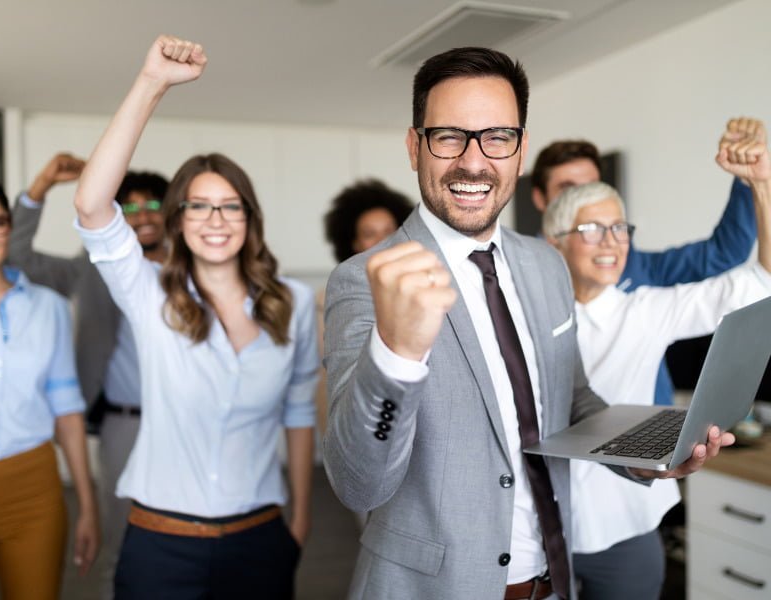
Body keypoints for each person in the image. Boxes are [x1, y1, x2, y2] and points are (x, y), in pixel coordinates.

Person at [322, 46, 733, 600]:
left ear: (520, 152)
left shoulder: (545, 264)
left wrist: (648, 453)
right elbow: (356, 483)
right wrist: (395, 355)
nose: (474, 161)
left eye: (497, 136)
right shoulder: (363, 279)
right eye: (449, 136)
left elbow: (573, 398)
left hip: (551, 581)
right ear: (414, 146)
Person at [73, 36, 318, 599]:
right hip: (160, 543)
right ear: (178, 219)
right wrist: (151, 83)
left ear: (249, 218)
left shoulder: (294, 303)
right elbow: (91, 205)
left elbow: (300, 413)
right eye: (199, 205)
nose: (216, 219)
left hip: (260, 538)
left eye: (231, 205)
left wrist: (301, 518)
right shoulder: (150, 294)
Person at [541, 117, 770, 599]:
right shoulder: (520, 310)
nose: (611, 241)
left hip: (623, 522)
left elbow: (758, 278)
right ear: (553, 238)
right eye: (591, 228)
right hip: (534, 529)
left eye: (619, 228)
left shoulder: (645, 306)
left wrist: (761, 185)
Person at [8, 155, 169, 598]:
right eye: (130, 208)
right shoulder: (93, 268)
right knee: (123, 539)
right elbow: (15, 256)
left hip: (193, 423)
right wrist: (40, 187)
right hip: (124, 423)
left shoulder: (199, 270)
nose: (144, 215)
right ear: (115, 216)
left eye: (154, 204)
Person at [530, 132, 758, 406]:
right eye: (569, 189)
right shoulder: (520, 275)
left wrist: (752, 182)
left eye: (592, 186)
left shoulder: (637, 267)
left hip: (645, 427)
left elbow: (724, 254)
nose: (585, 197)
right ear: (540, 199)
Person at [0, 174, 99, 599]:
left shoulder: (50, 307)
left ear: (10, 227)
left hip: (33, 486)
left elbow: (66, 408)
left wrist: (86, 502)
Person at [318, 179, 413, 439]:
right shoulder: (334, 300)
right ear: (354, 244)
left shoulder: (424, 293)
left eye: (389, 231)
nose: (384, 241)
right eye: (370, 233)